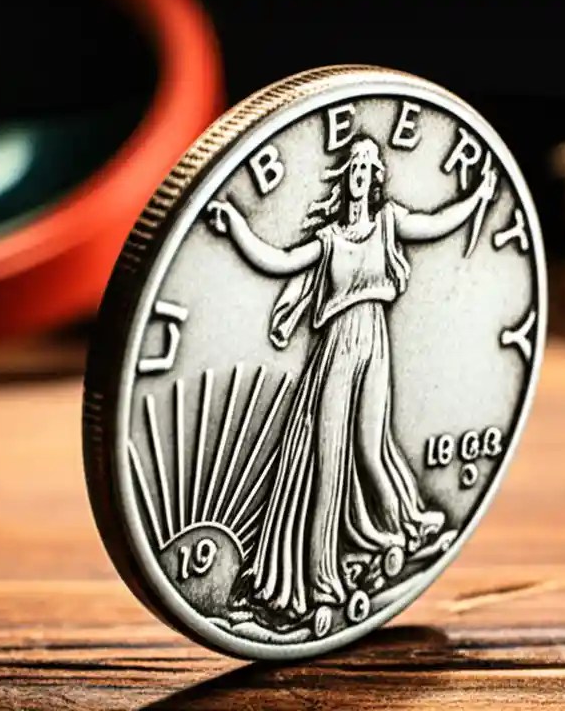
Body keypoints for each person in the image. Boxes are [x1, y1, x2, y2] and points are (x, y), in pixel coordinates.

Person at [204, 134, 498, 632]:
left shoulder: (388, 224)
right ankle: (317, 576)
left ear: (376, 180)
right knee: (328, 458)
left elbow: (435, 224)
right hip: (339, 346)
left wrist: (477, 201)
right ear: (346, 181)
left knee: (370, 444)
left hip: (375, 340)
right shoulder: (331, 240)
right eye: (355, 170)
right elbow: (275, 260)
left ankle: (403, 526)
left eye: (369, 170)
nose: (361, 177)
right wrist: (235, 226)